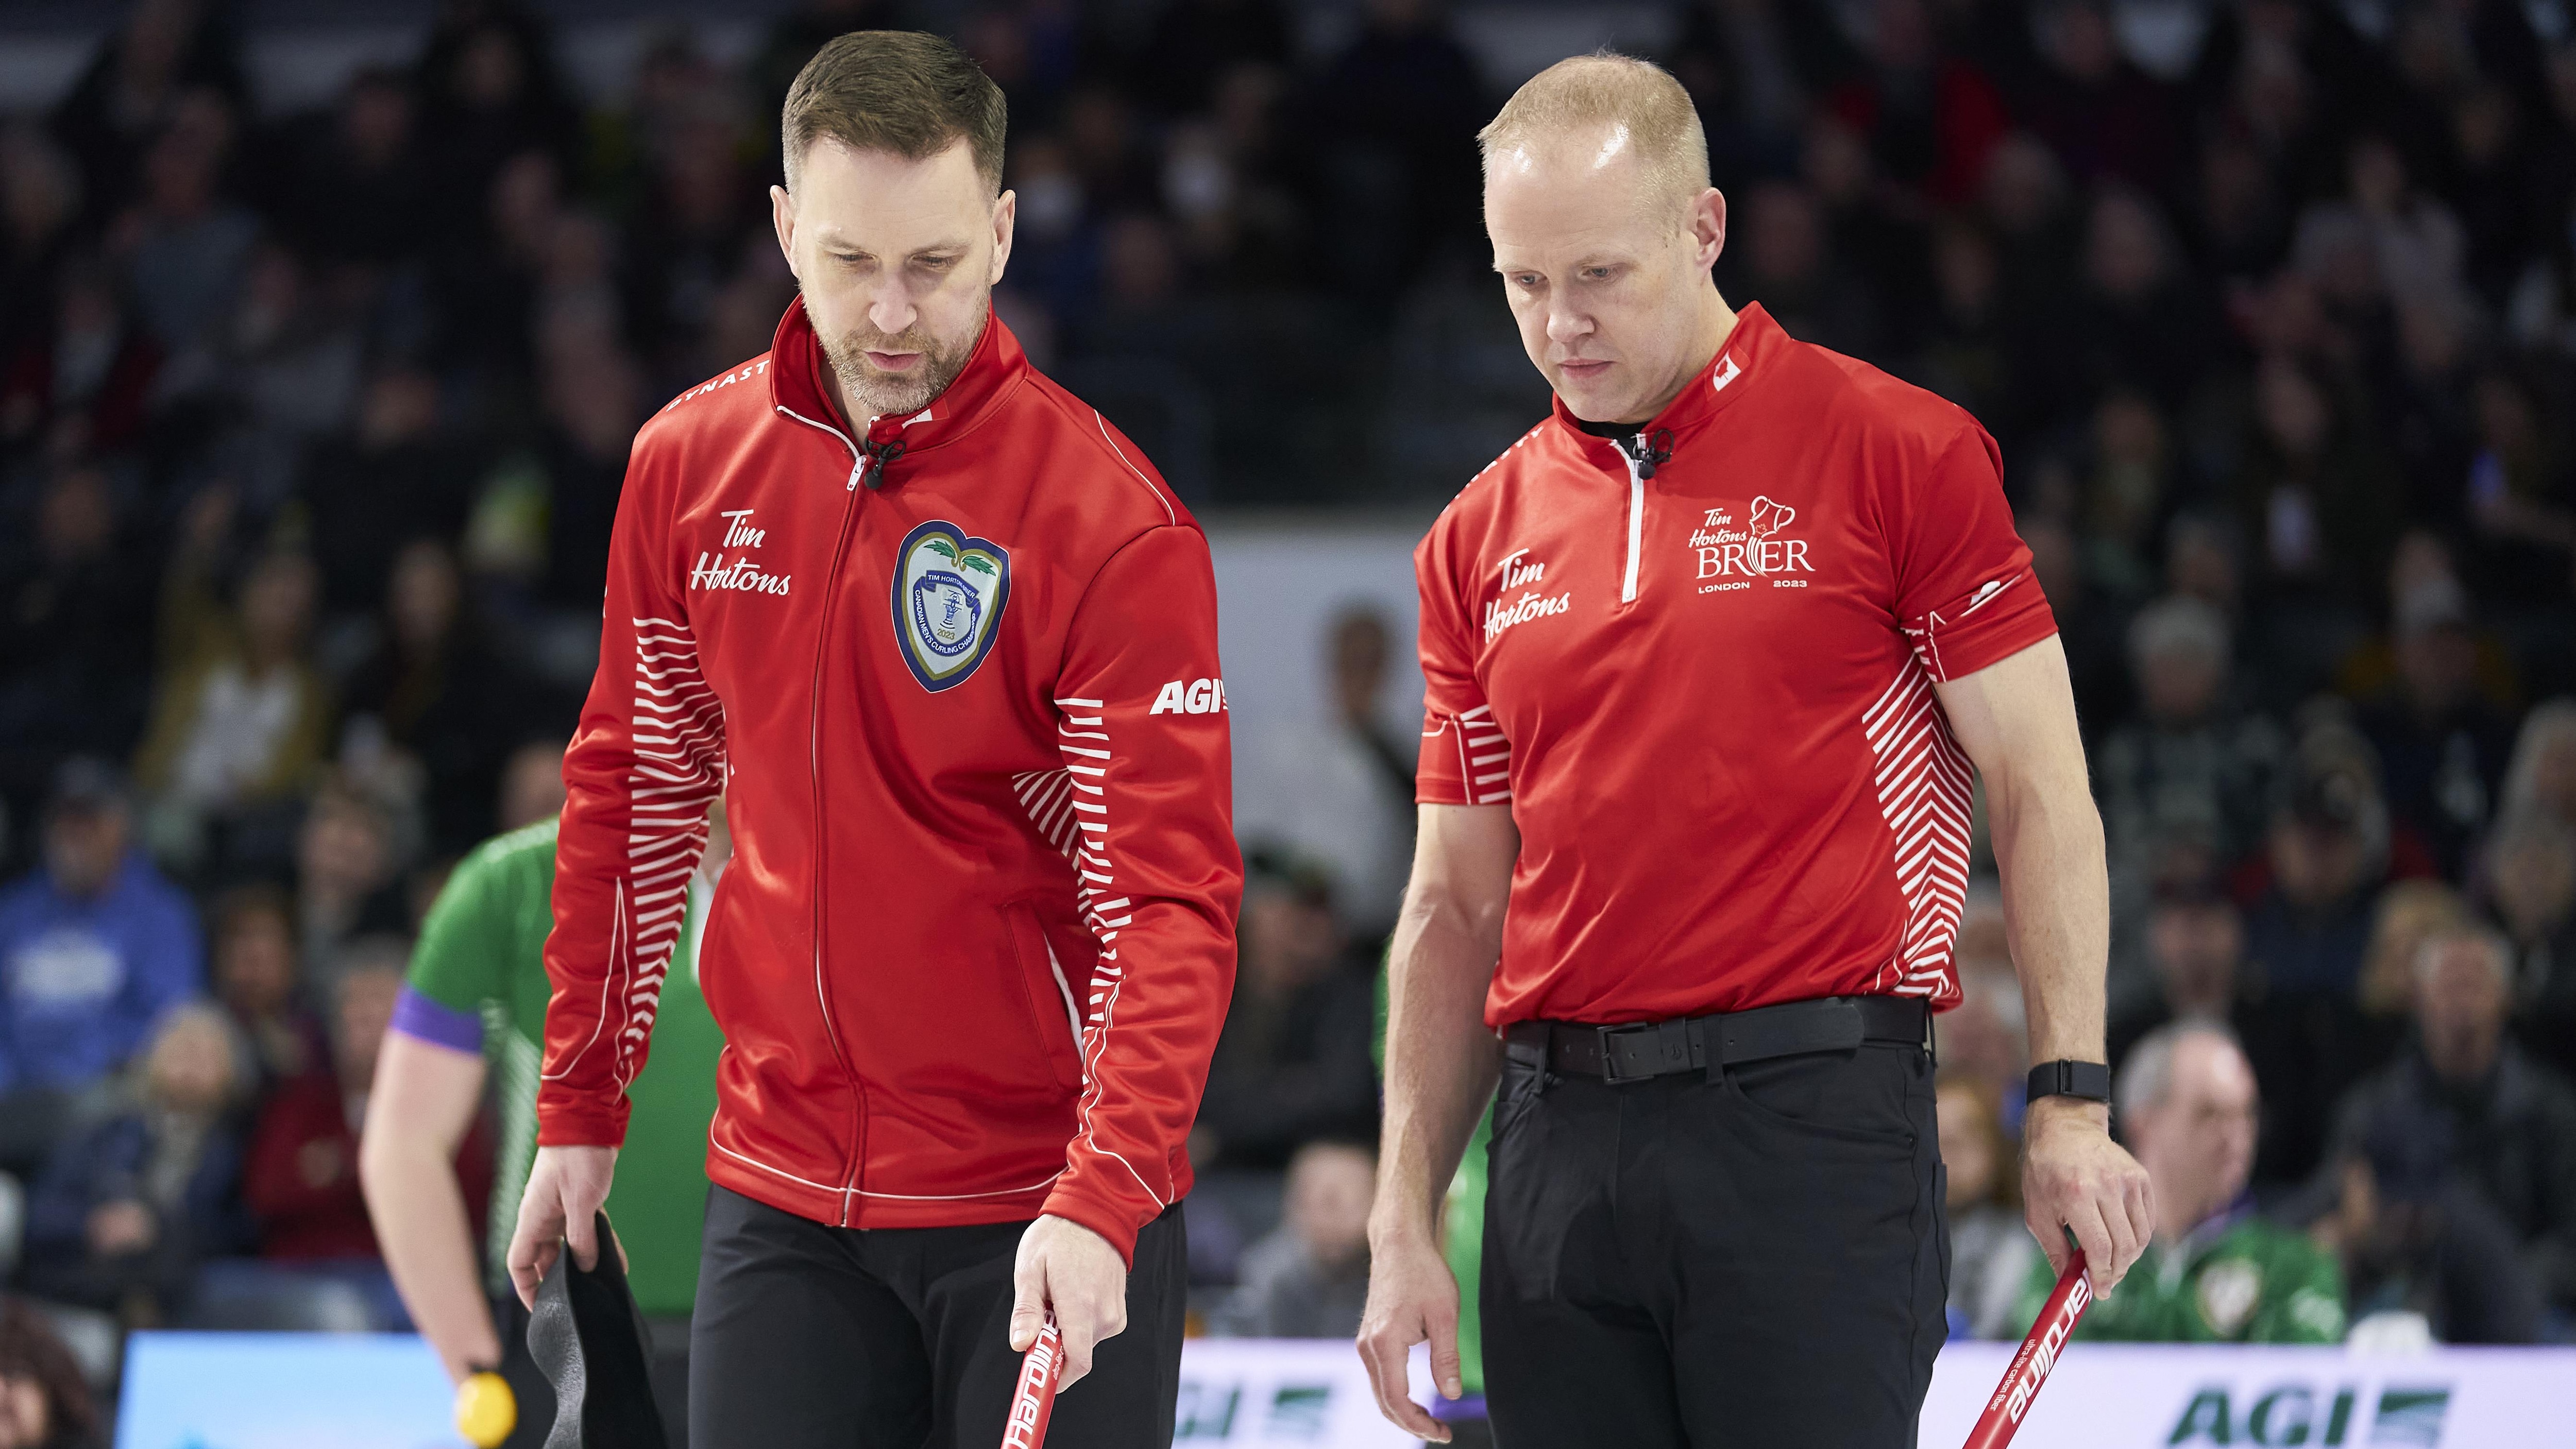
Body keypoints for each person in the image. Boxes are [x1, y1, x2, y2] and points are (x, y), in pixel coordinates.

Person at [1359, 56, 2149, 1448]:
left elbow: (2043, 794)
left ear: (1705, 228)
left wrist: (2071, 1100)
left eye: (1598, 273)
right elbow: (1454, 903)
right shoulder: (1473, 539)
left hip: (1811, 1128)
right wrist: (1401, 1213)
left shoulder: (1900, 451)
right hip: (1554, 1144)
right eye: (1521, 282)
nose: (1560, 324)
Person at [509, 32, 1239, 1449]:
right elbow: (638, 792)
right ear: (783, 225)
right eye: (849, 261)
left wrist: (1106, 1191)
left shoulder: (1111, 522)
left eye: (937, 264)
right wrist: (580, 1106)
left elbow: (1170, 906)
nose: (892, 313)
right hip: (779, 1200)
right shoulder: (687, 467)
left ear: (1006, 234)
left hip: (1044, 1206)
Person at [364, 798, 724, 1448]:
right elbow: (401, 1143)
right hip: (567, 1340)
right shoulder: (512, 885)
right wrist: (480, 1369)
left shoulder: (841, 874)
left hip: (795, 1325)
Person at [2012, 1023, 2345, 1343]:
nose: (2237, 1135)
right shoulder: (2070, 1266)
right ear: (2143, 1123)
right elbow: (2055, 1391)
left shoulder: (2295, 1267)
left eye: (2247, 1114)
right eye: (2210, 1113)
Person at [2316, 924, 2576, 1316]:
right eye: (2449, 984)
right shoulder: (2372, 1110)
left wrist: (2496, 1283)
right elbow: (2334, 1215)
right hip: (2396, 1306)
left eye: (2475, 984)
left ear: (2505, 998)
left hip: (2528, 1310)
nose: (2461, 1001)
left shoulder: (2550, 1109)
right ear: (2419, 998)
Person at [0, 759, 200, 1181]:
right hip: (16, 1092)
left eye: (91, 820)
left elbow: (168, 1018)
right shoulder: (16, 912)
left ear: (121, 827)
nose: (76, 834)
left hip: (109, 1096)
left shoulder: (160, 914)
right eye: (66, 820)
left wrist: (85, 1067)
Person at [21, 1004, 251, 1324]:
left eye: (204, 1055)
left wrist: (154, 1228)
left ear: (229, 1072)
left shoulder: (240, 1146)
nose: (190, 1066)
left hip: (185, 1296)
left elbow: (239, 1233)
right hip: (89, 1284)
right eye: (181, 1050)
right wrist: (93, 1224)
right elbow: (39, 1213)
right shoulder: (106, 1133)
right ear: (153, 1059)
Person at [1207, 1139, 1375, 1339]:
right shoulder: (1266, 1273)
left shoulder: (1401, 1272)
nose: (1330, 1220)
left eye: (1342, 1203)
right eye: (1314, 1201)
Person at [1937, 1076, 2037, 1340]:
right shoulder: (1886, 1241)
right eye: (1935, 1134)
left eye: (1966, 1132)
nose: (1950, 1149)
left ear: (1995, 1147)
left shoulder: (2024, 1245)